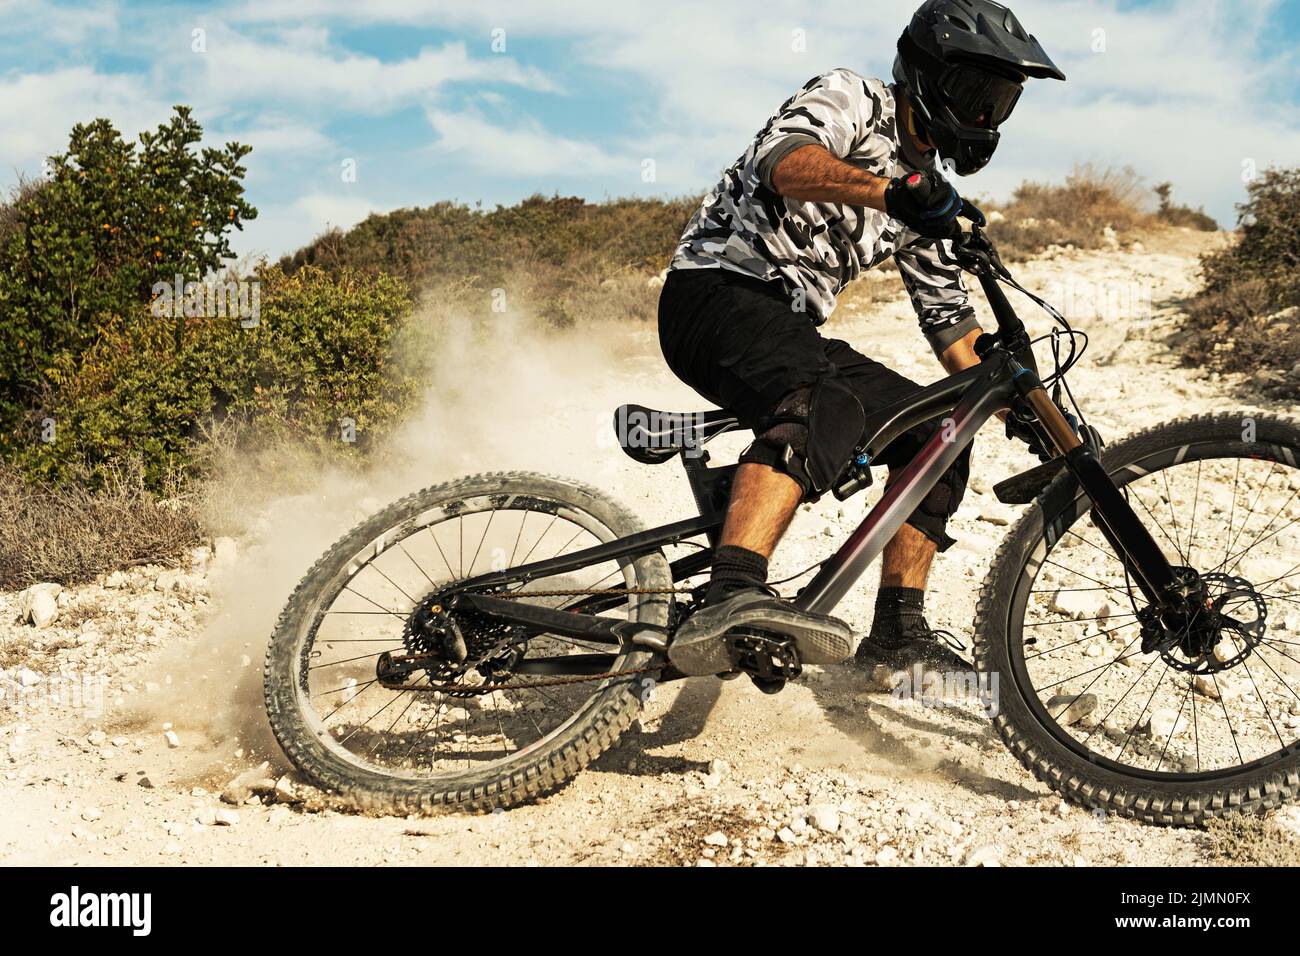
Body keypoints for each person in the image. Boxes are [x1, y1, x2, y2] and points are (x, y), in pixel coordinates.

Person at [659, 0, 1064, 677]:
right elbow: (783, 160)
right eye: (976, 95)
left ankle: (898, 632)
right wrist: (891, 191)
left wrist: (1031, 413)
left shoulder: (927, 193)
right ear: (930, 75)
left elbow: (952, 327)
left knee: (941, 432)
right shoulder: (854, 95)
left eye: (1001, 103)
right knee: (820, 405)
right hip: (716, 292)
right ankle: (731, 594)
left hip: (787, 322)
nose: (986, 117)